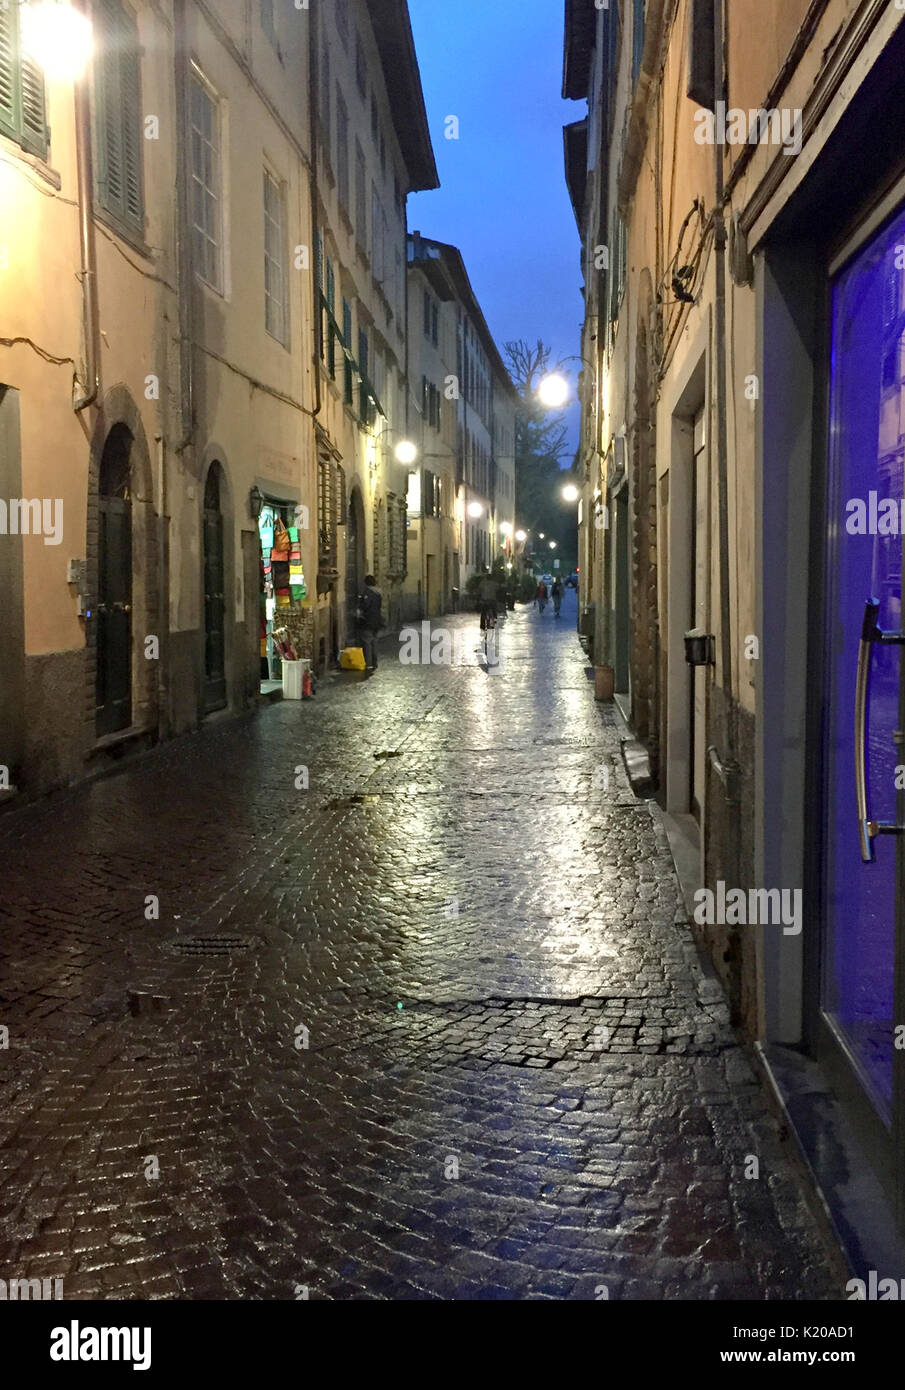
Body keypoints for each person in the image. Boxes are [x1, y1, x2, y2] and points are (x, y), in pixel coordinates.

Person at [358, 574, 383, 670]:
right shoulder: (378, 593)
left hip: (368, 620)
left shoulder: (367, 593)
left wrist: (360, 611)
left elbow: (365, 606)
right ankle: (375, 662)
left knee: (367, 642)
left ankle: (368, 663)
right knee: (374, 642)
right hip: (377, 621)